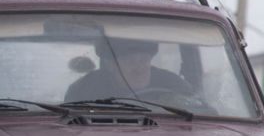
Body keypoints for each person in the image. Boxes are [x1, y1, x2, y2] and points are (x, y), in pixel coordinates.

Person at [65, 37, 193, 102]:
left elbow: (200, 111)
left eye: (144, 59)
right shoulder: (84, 89)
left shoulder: (174, 85)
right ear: (111, 65)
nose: (139, 67)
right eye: (129, 60)